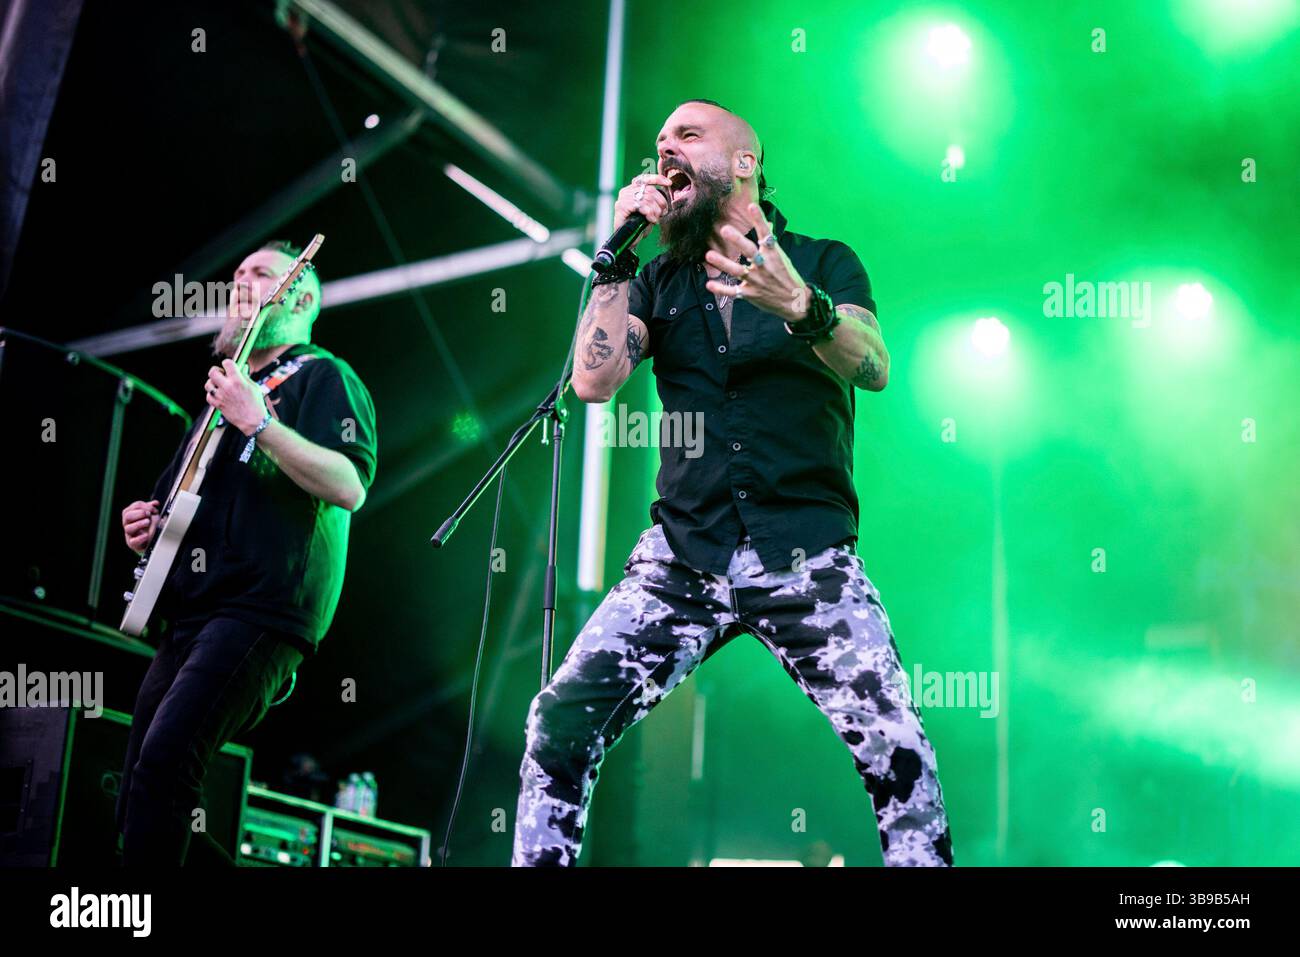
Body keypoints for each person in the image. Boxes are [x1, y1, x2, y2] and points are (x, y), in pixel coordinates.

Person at [512, 100, 953, 867]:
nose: (665, 150)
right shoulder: (655, 277)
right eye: (659, 144)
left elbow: (873, 366)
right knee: (559, 721)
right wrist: (616, 257)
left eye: (686, 137)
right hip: (683, 554)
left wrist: (801, 308)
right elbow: (593, 380)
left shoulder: (821, 261)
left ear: (744, 161)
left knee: (897, 747)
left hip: (805, 555)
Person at [115, 240, 377, 865]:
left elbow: (348, 485)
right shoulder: (223, 397)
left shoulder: (323, 376)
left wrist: (259, 422)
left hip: (262, 609)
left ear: (303, 297)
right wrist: (147, 525)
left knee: (167, 764)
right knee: (140, 788)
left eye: (261, 273)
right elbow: (177, 511)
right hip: (191, 615)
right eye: (236, 273)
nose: (241, 282)